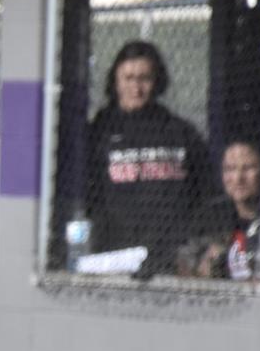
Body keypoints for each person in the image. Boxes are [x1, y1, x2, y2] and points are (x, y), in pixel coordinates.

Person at [82, 39, 216, 276]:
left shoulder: (179, 132)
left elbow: (205, 189)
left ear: (157, 81)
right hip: (116, 254)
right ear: (116, 81)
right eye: (129, 78)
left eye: (144, 78)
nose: (136, 87)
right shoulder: (98, 133)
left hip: (171, 255)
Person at [179, 139, 260, 281]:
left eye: (248, 168)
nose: (238, 178)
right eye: (230, 169)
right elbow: (184, 265)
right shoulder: (209, 217)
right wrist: (204, 264)